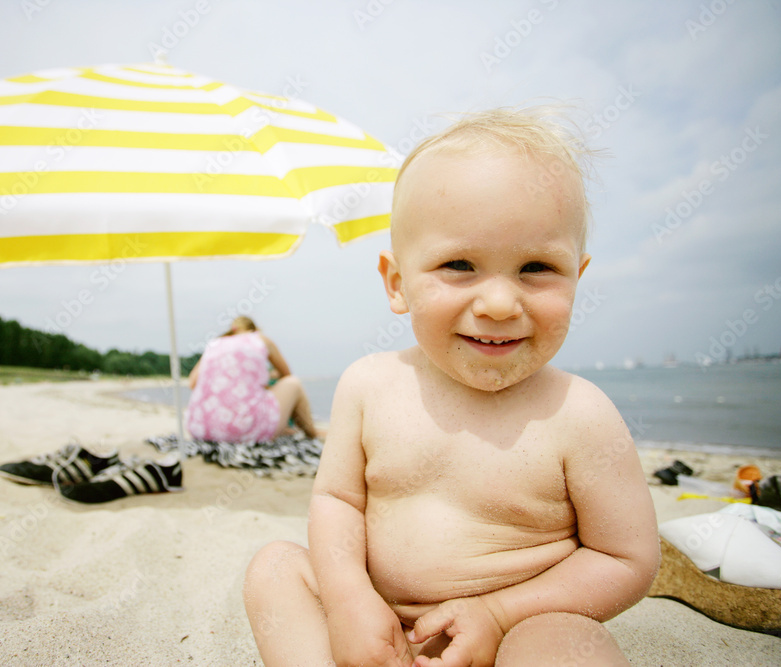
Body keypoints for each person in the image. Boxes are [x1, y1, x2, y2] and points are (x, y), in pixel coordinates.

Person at [243, 108, 660, 666]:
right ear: (398, 284)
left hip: (513, 630)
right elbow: (337, 501)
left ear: (577, 277)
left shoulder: (579, 413)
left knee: (566, 644)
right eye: (459, 264)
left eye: (536, 267)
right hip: (379, 624)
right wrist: (348, 601)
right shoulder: (369, 385)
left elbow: (625, 559)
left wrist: (500, 613)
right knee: (275, 567)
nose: (498, 304)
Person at [185, 316, 321, 442]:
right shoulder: (260, 339)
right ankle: (312, 433)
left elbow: (193, 382)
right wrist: (269, 377)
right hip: (243, 430)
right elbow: (286, 374)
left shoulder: (214, 344)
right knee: (294, 383)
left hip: (201, 428)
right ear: (253, 329)